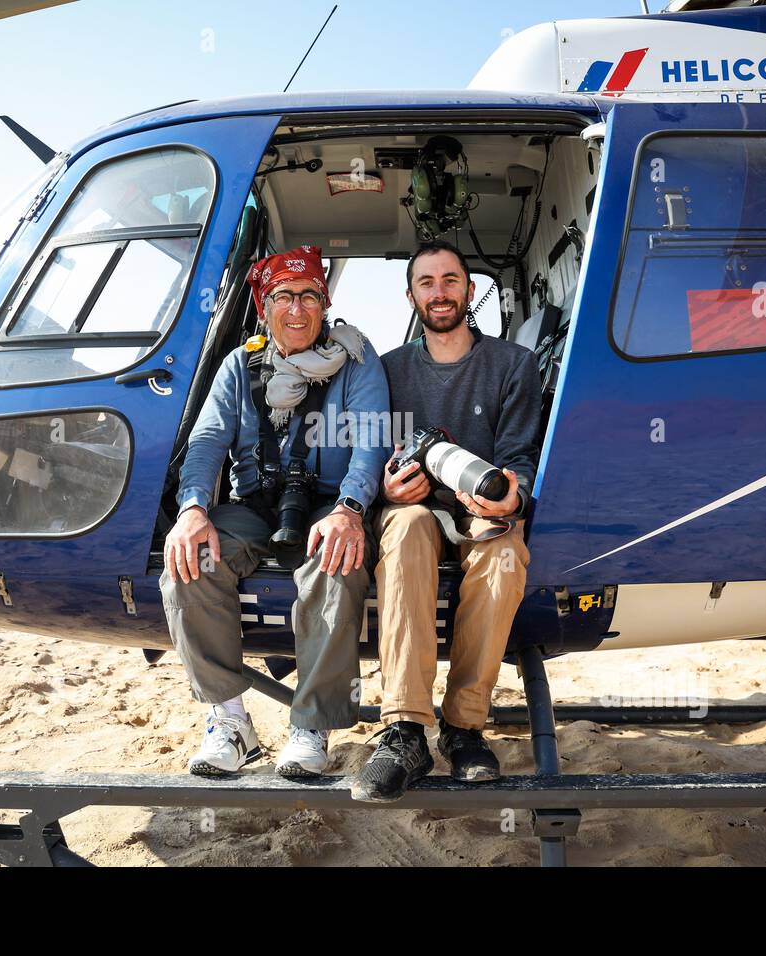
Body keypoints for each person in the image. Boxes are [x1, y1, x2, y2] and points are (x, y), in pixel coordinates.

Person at [160, 245, 388, 779]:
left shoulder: (354, 359)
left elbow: (374, 436)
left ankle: (311, 727)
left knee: (338, 564)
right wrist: (192, 508)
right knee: (189, 561)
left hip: (330, 504)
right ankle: (229, 719)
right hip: (255, 506)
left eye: (309, 295)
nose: (297, 308)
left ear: (324, 304)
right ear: (264, 306)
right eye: (283, 295)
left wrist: (351, 508)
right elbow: (208, 439)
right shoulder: (240, 366)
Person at [351, 239, 542, 802]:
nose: (440, 292)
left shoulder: (513, 364)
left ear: (470, 289)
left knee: (505, 553)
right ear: (410, 295)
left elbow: (520, 456)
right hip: (415, 507)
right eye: (427, 283)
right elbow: (369, 450)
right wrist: (386, 487)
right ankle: (405, 729)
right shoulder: (386, 370)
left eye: (450, 280)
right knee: (406, 527)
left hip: (480, 511)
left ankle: (463, 729)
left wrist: (512, 498)